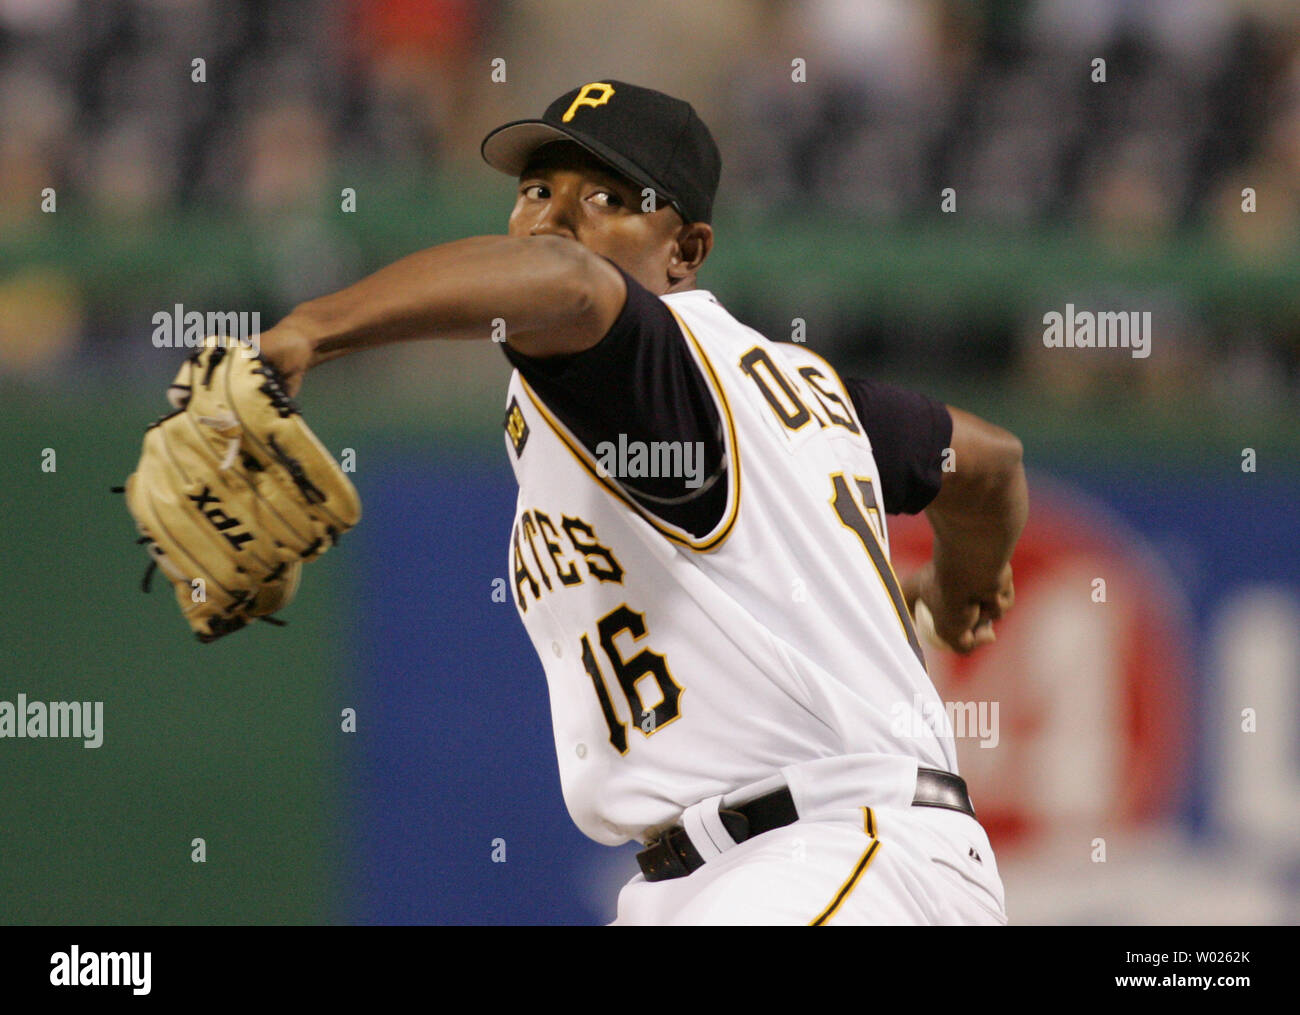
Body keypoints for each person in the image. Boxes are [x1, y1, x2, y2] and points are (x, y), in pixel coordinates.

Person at [256, 80, 1028, 925]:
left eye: (605, 199)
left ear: (685, 251)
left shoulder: (658, 375)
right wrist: (960, 587)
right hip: (736, 873)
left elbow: (570, 283)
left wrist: (308, 330)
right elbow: (986, 464)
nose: (552, 219)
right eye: (535, 191)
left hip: (832, 849)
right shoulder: (785, 383)